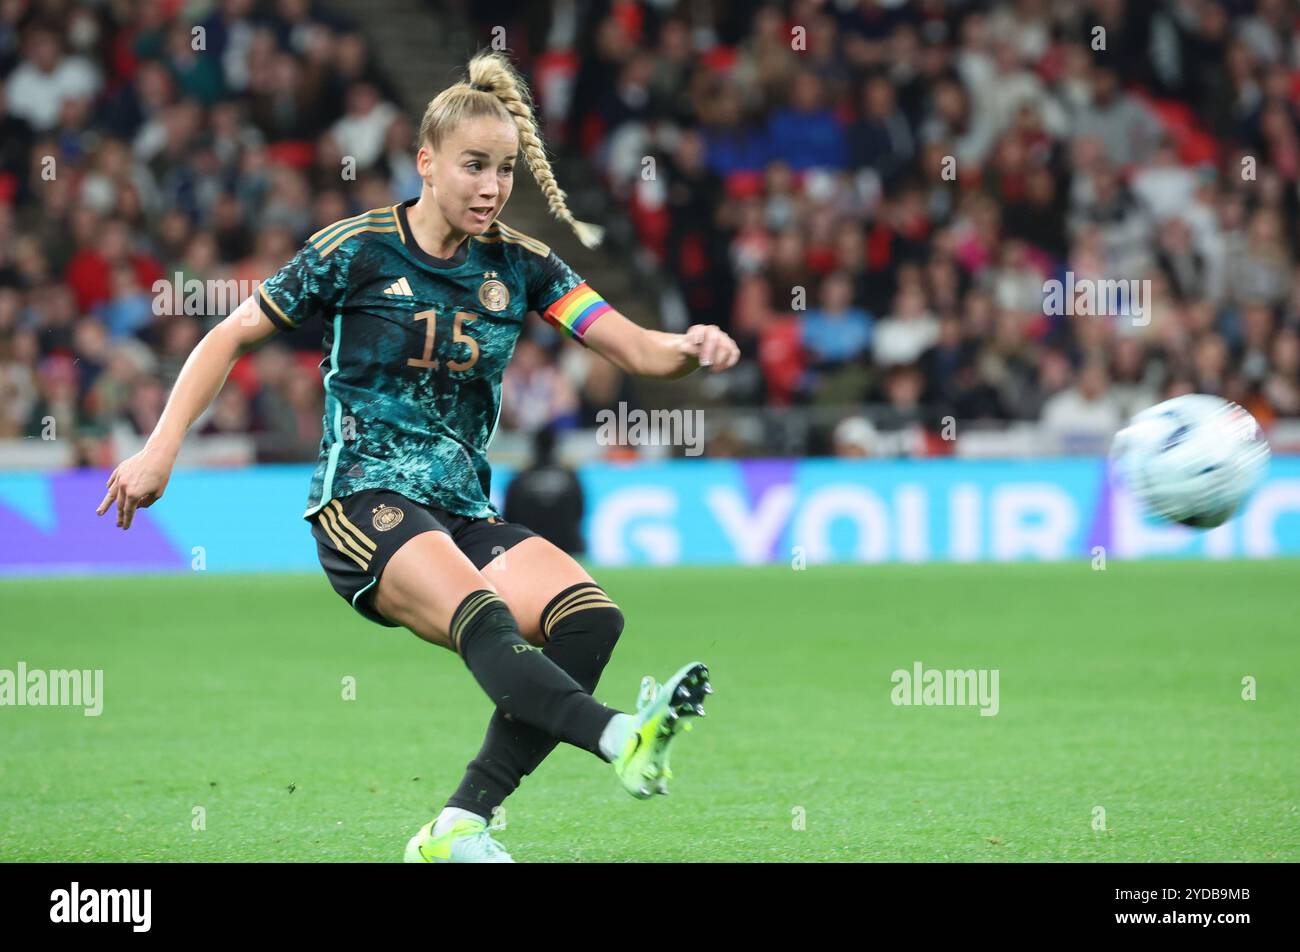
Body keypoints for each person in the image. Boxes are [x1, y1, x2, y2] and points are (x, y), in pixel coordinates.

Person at [95, 50, 740, 863]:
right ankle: (620, 738)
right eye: (474, 166)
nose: (490, 187)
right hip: (362, 502)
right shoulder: (356, 249)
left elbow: (640, 351)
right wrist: (160, 450)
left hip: (463, 509)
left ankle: (459, 826)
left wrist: (689, 346)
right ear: (425, 162)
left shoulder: (523, 265)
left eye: (504, 171)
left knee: (591, 619)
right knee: (485, 616)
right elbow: (230, 333)